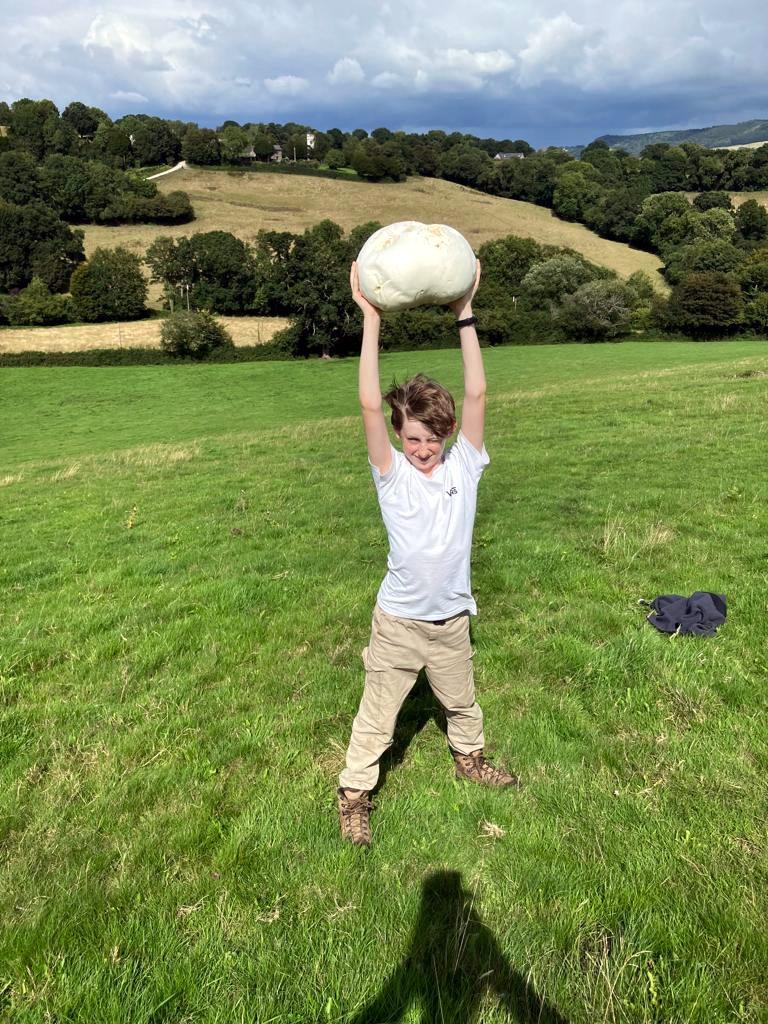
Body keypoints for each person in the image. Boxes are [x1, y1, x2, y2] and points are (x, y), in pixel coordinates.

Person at [337, 260, 519, 848]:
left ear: (447, 433)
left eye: (431, 437)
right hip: (398, 624)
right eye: (411, 437)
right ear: (398, 434)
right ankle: (355, 794)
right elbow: (368, 404)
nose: (422, 448)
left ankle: (469, 760)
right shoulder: (392, 475)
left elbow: (478, 390)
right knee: (378, 716)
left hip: (451, 622)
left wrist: (464, 312)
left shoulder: (465, 464)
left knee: (462, 702)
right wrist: (371, 317)